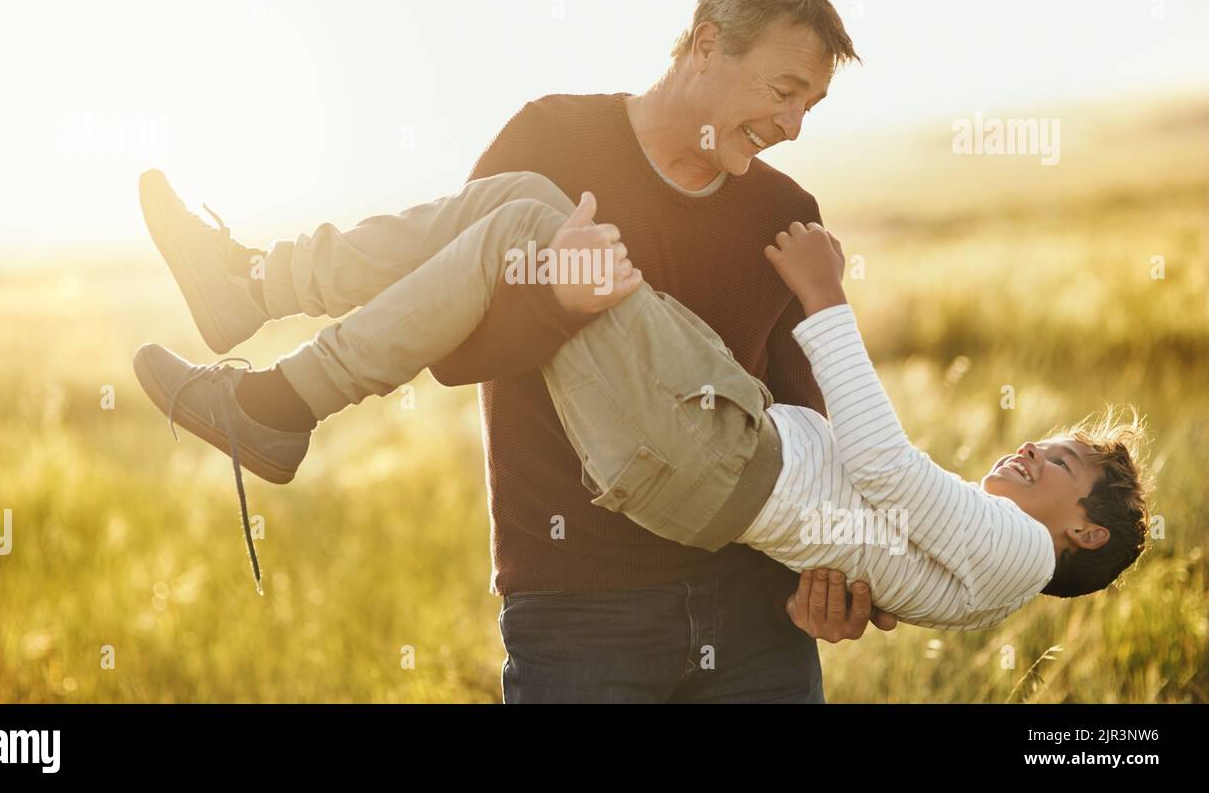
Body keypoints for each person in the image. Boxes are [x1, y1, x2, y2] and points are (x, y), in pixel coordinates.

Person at [133, 167, 1151, 635]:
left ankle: (274, 401)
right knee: (516, 203)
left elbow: (880, 467)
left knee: (517, 233)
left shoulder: (1018, 558)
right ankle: (254, 288)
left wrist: (823, 300)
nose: (1029, 456)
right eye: (1047, 446)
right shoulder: (985, 559)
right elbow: (874, 544)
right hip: (713, 436)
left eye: (1062, 468)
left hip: (709, 448)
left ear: (1084, 538)